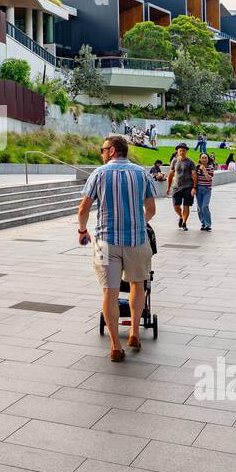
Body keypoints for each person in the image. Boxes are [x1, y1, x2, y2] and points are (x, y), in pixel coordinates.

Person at [77, 135, 157, 362]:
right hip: (137, 241)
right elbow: (151, 209)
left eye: (103, 149)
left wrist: (83, 231)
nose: (101, 153)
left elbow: (83, 209)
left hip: (105, 243)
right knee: (137, 285)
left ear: (112, 150)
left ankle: (115, 346)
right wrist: (139, 221)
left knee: (109, 293)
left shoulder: (99, 174)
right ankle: (133, 332)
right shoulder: (142, 173)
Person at [167, 143, 197, 231]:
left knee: (186, 205)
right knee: (176, 205)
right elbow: (171, 174)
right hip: (176, 187)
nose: (182, 152)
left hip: (188, 187)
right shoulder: (174, 161)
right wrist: (168, 187)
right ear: (177, 151)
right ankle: (181, 216)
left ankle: (184, 223)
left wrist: (194, 187)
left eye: (183, 150)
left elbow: (194, 175)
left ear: (186, 151)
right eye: (180, 150)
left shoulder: (190, 162)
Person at [194, 152, 216, 232]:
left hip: (207, 189)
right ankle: (203, 223)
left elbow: (208, 178)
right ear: (200, 159)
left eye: (205, 158)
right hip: (198, 189)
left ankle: (208, 224)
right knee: (199, 208)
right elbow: (195, 178)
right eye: (202, 158)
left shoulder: (210, 167)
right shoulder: (197, 168)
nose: (204, 159)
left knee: (205, 206)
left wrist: (204, 170)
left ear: (208, 159)